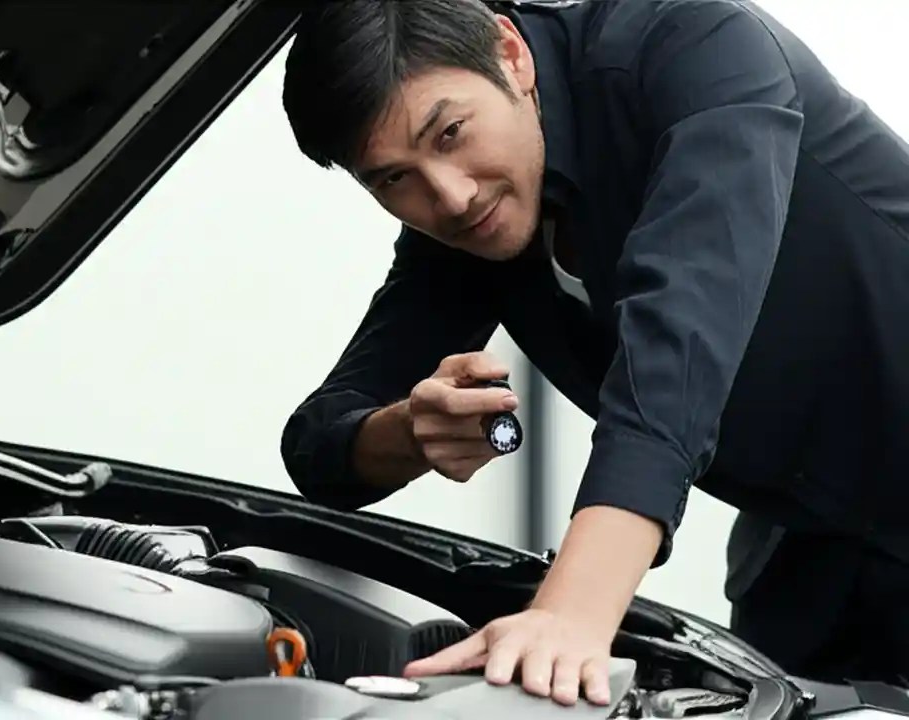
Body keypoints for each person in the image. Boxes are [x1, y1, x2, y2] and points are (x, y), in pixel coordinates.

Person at [278, 0, 909, 707]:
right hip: (812, 552)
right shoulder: (473, 220)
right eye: (393, 178)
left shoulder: (697, 47)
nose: (449, 196)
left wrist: (572, 612)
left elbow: (680, 340)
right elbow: (320, 442)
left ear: (510, 54)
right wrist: (405, 432)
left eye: (450, 133)